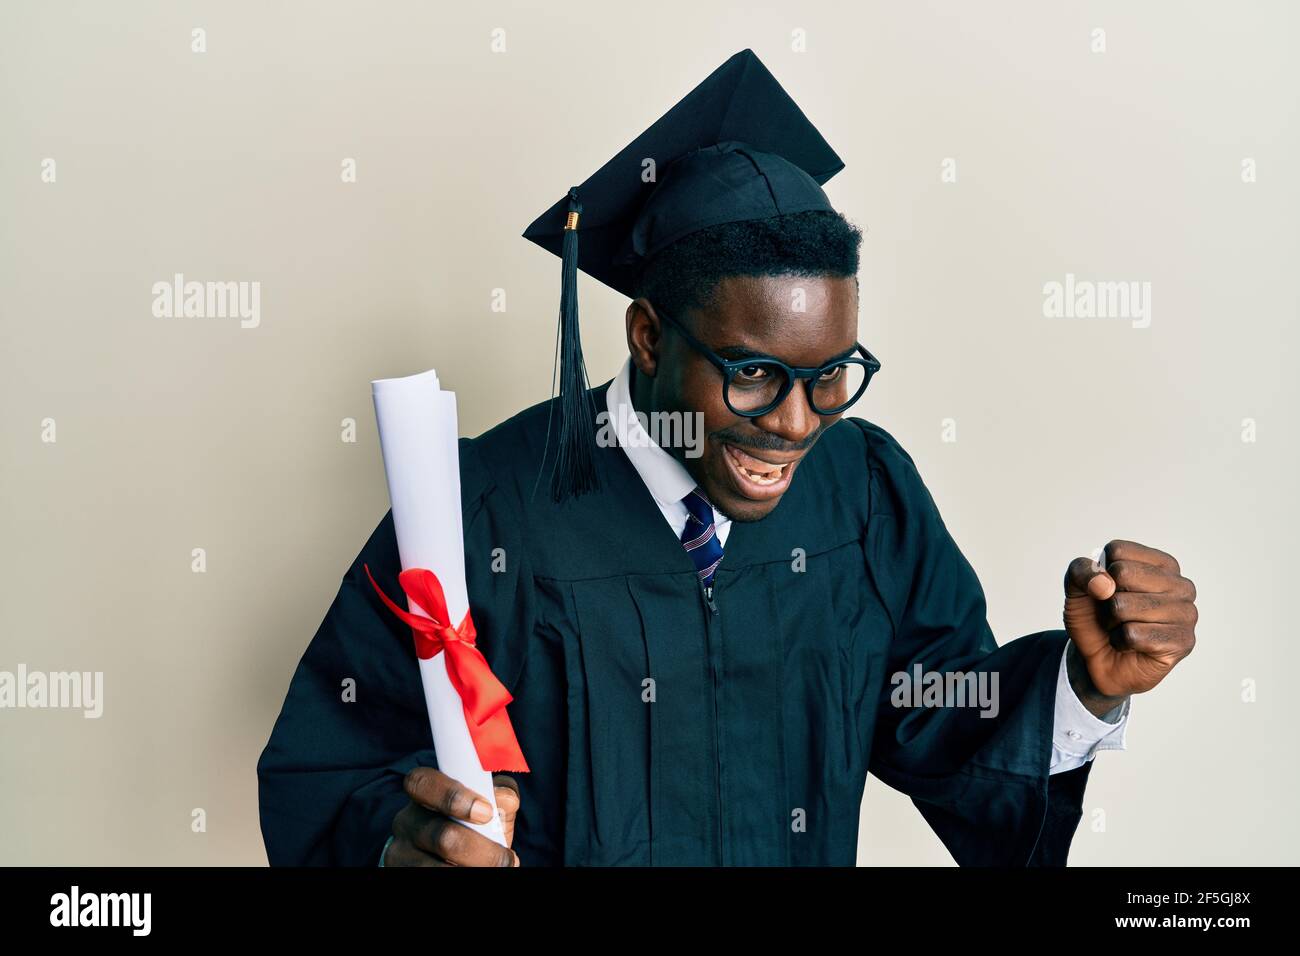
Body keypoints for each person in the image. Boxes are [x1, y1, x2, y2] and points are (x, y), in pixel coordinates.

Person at [256, 49, 1197, 867]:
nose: (796, 423)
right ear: (649, 337)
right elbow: (333, 759)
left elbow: (936, 710)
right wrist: (396, 845)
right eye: (753, 375)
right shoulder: (486, 511)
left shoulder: (862, 490)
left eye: (833, 374)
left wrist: (1079, 687)